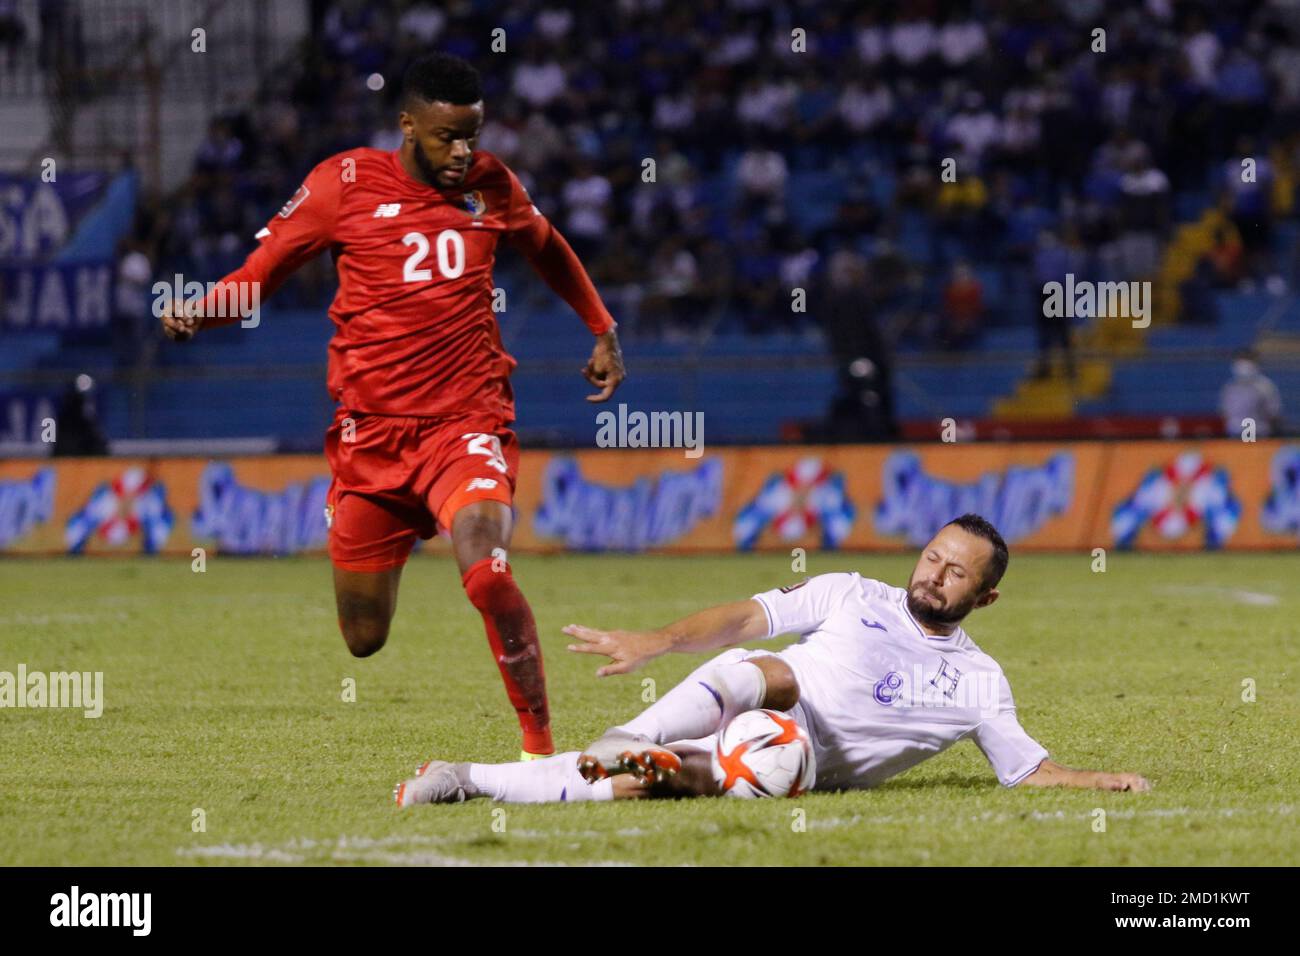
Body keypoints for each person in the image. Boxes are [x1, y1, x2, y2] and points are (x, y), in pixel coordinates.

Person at [160, 53, 627, 760]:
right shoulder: (340, 184)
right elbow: (258, 277)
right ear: (407, 125)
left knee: (485, 563)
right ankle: (380, 516)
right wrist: (202, 310)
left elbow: (546, 246)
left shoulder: (490, 183)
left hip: (467, 423)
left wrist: (602, 326)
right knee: (363, 639)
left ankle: (540, 752)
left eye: (472, 134)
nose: (463, 152)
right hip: (370, 439)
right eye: (447, 137)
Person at [396, 514, 1151, 804]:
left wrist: (1100, 777)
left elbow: (1026, 770)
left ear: (984, 599)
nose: (933, 575)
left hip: (797, 763)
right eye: (932, 557)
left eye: (956, 573)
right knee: (764, 667)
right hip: (755, 693)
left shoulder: (981, 681)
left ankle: (472, 782)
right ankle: (623, 740)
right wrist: (657, 640)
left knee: (658, 782)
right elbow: (745, 617)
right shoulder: (852, 591)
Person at [1219, 349, 1282, 437]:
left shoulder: (1265, 386)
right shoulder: (1230, 387)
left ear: (1255, 364)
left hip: (1259, 434)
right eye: (1240, 362)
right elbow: (1225, 412)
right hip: (1235, 434)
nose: (1243, 366)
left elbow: (1273, 413)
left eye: (1247, 362)